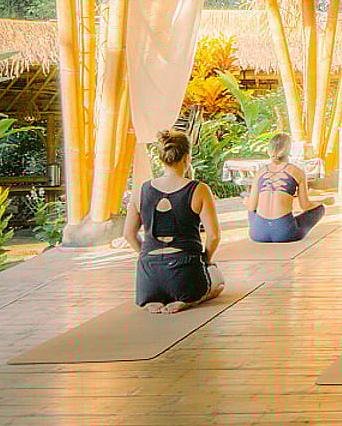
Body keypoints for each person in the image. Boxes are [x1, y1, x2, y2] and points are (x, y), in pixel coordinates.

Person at [122, 130, 225, 313]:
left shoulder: (141, 190)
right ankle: (187, 300)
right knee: (218, 281)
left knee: (157, 288)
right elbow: (214, 236)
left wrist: (145, 255)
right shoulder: (199, 190)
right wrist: (206, 260)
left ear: (161, 158)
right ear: (187, 158)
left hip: (148, 275)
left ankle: (153, 300)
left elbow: (129, 234)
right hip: (184, 270)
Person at [246, 133, 329, 243]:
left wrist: (246, 200)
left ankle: (265, 227)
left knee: (251, 206)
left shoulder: (260, 172)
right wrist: (325, 200)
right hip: (285, 234)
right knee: (319, 209)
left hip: (258, 234)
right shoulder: (297, 172)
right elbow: (305, 206)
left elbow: (251, 207)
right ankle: (283, 225)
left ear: (269, 150)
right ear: (289, 150)